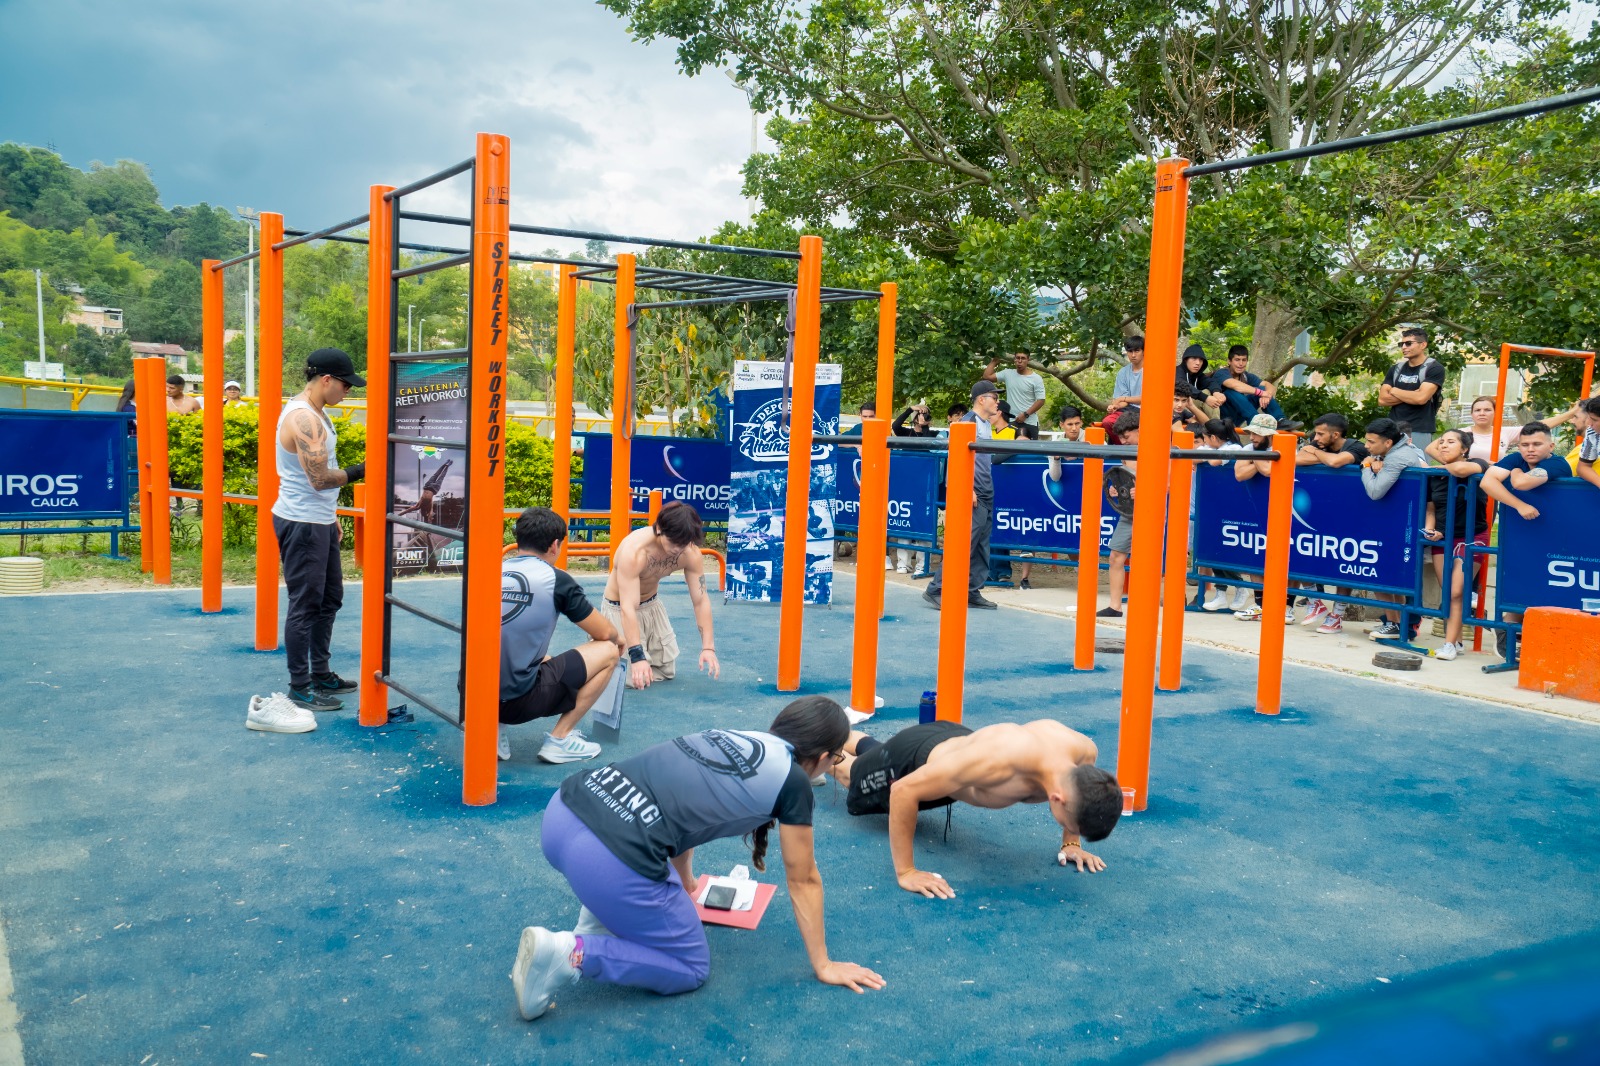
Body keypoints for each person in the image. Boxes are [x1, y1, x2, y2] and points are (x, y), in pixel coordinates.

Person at [513, 696, 885, 1021]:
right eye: (836, 758)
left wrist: (687, 886)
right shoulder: (793, 782)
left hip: (563, 814)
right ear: (823, 757)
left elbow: (682, 816)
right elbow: (803, 880)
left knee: (635, 835)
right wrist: (823, 964)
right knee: (690, 967)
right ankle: (570, 955)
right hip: (608, 860)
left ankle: (596, 925)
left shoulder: (735, 735)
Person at [826, 719, 1122, 899]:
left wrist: (1071, 843)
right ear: (1057, 798)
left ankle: (849, 735)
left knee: (875, 756)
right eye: (1069, 826)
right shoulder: (998, 763)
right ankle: (816, 747)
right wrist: (907, 872)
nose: (1069, 829)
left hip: (954, 755)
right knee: (851, 775)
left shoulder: (1083, 752)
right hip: (915, 758)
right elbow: (904, 791)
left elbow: (1081, 792)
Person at [272, 347, 366, 712]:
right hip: (302, 522)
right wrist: (364, 470)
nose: (348, 391)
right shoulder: (303, 419)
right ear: (326, 380)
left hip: (319, 519)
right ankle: (300, 686)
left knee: (330, 599)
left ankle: (321, 673)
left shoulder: (317, 412)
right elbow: (320, 479)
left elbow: (319, 481)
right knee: (305, 604)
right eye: (346, 385)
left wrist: (332, 515)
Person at [498, 507, 623, 764]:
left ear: (518, 539)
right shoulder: (556, 580)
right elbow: (604, 633)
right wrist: (618, 638)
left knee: (535, 655)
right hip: (517, 702)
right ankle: (560, 740)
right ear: (555, 545)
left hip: (472, 696)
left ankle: (491, 728)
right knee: (608, 651)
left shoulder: (491, 570)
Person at [1479, 422, 1572, 660]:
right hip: (1525, 534)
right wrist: (1519, 505)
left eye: (1537, 444)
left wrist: (1515, 473)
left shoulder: (1557, 463)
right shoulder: (1516, 458)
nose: (1530, 449)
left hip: (1560, 536)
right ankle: (1508, 630)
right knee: (1521, 580)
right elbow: (1487, 482)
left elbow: (1521, 483)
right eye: (1525, 445)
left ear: (1551, 446)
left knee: (1549, 588)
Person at [601, 501, 719, 688]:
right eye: (673, 542)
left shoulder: (690, 553)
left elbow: (701, 600)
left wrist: (708, 647)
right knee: (632, 679)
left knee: (665, 672)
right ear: (659, 529)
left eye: (683, 544)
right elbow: (628, 607)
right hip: (620, 608)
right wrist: (637, 655)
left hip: (652, 605)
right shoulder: (634, 552)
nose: (678, 549)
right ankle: (602, 656)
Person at [923, 380, 1001, 611]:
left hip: (985, 489)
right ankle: (936, 588)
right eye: (994, 397)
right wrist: (968, 489)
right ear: (981, 399)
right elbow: (955, 458)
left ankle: (971, 590)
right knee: (963, 543)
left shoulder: (985, 424)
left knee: (981, 545)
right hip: (974, 490)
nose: (998, 402)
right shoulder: (967, 423)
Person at [1420, 430, 1492, 661]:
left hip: (1472, 536)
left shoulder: (1477, 464)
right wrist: (1430, 529)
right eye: (1441, 442)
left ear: (1465, 449)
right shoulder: (1434, 476)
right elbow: (1431, 511)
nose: (1443, 445)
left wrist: (1439, 467)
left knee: (1457, 592)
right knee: (1450, 594)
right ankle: (1457, 641)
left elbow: (1460, 470)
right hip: (1443, 538)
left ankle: (1449, 644)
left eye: (1451, 442)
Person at [1359, 418, 1430, 640]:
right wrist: (1378, 459)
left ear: (1388, 442)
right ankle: (1398, 624)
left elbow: (1375, 491)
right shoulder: (1403, 450)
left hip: (1401, 524)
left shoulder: (1398, 457)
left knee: (1383, 574)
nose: (1366, 446)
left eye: (1371, 442)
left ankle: (1395, 623)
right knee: (1394, 578)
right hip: (1403, 521)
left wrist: (1367, 467)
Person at [1231, 414, 1298, 623]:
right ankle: (1261, 605)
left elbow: (1269, 471)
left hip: (1288, 510)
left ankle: (1287, 606)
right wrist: (1259, 460)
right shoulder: (1249, 449)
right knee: (1256, 554)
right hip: (1259, 509)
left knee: (1290, 558)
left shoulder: (1284, 447)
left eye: (1257, 434)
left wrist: (1255, 460)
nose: (1252, 437)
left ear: (1269, 434)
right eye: (1251, 433)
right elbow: (1239, 474)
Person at [1195, 419, 1251, 613]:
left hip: (1233, 506)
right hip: (1215, 505)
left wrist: (1204, 453)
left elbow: (1213, 461)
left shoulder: (1233, 447)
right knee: (1213, 549)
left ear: (1213, 437)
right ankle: (1220, 593)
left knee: (1227, 550)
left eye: (1204, 438)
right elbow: (1193, 459)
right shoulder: (1215, 447)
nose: (1203, 442)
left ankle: (1240, 586)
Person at [1097, 409, 1139, 618]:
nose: (1122, 441)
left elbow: (1168, 484)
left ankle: (1146, 605)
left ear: (1139, 430)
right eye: (1120, 437)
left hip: (1153, 512)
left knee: (1148, 561)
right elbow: (1126, 479)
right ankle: (1115, 606)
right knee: (1115, 556)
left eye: (1126, 436)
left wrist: (1146, 489)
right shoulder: (1126, 451)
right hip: (1129, 513)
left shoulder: (1161, 448)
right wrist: (1117, 488)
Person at [1378, 327, 1445, 449]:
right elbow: (1382, 400)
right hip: (1394, 429)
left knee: (1417, 461)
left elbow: (1420, 399)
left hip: (1420, 429)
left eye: (1408, 343)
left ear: (1423, 345)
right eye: (1402, 344)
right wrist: (1413, 394)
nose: (1404, 347)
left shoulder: (1434, 368)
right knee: (1391, 460)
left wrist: (1394, 390)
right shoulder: (1396, 369)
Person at [1210, 345, 1289, 428]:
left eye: (1244, 360)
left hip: (1238, 415)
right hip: (1221, 419)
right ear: (1229, 361)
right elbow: (1236, 386)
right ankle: (1256, 421)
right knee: (1230, 392)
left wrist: (1267, 395)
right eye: (1237, 360)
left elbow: (1269, 385)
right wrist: (1261, 393)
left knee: (1262, 388)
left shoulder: (1246, 376)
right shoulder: (1221, 373)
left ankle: (1280, 420)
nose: (1241, 364)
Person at [983, 350, 1048, 439]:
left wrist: (1026, 414)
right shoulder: (1008, 373)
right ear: (1014, 359)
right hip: (1012, 421)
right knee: (1011, 447)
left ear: (1028, 360)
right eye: (1017, 358)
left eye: (1023, 358)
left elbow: (1041, 400)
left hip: (1030, 422)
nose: (1020, 361)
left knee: (1030, 447)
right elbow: (987, 376)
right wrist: (994, 361)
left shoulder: (1036, 378)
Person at [1100, 336, 1144, 441]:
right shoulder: (1123, 372)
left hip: (1147, 411)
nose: (1133, 355)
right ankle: (1122, 445)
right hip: (1127, 411)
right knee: (1108, 422)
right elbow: (1122, 400)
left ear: (1143, 351)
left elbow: (1147, 399)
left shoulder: (1153, 370)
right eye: (1130, 351)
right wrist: (1116, 405)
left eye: (1137, 351)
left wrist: (1123, 399)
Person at [1461, 396, 1522, 464]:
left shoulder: (1504, 432)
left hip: (1497, 470)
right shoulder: (1460, 433)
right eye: (1477, 410)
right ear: (1472, 414)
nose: (1482, 413)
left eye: (1487, 410)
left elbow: (1530, 429)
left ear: (1496, 413)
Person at [1178, 344, 1228, 421]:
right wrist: (1205, 398)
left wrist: (1216, 392)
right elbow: (1184, 386)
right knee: (1206, 393)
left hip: (1192, 409)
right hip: (1177, 407)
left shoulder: (1198, 376)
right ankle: (1216, 425)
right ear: (1185, 360)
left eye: (1201, 360)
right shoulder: (1177, 371)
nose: (1198, 363)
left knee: (1209, 392)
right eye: (1194, 359)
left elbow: (1211, 382)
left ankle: (1216, 424)